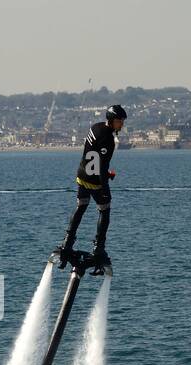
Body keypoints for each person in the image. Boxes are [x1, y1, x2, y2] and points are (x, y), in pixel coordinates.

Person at [56, 104, 126, 267]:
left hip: (81, 174)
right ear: (111, 120)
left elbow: (92, 155)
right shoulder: (108, 139)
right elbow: (100, 165)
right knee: (105, 209)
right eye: (119, 121)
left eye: (122, 121)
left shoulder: (95, 127)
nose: (122, 124)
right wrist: (104, 187)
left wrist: (106, 173)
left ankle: (67, 242)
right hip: (94, 180)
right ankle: (98, 248)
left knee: (81, 206)